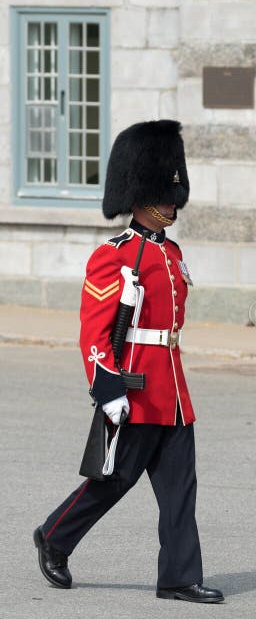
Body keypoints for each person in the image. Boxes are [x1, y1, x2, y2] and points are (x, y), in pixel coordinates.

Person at [33, 120, 225, 602]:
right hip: (134, 390)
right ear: (138, 196)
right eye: (164, 195)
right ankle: (54, 537)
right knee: (114, 480)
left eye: (173, 195)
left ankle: (179, 576)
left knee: (181, 488)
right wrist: (108, 389)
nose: (171, 204)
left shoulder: (172, 253)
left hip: (173, 391)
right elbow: (94, 333)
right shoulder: (114, 256)